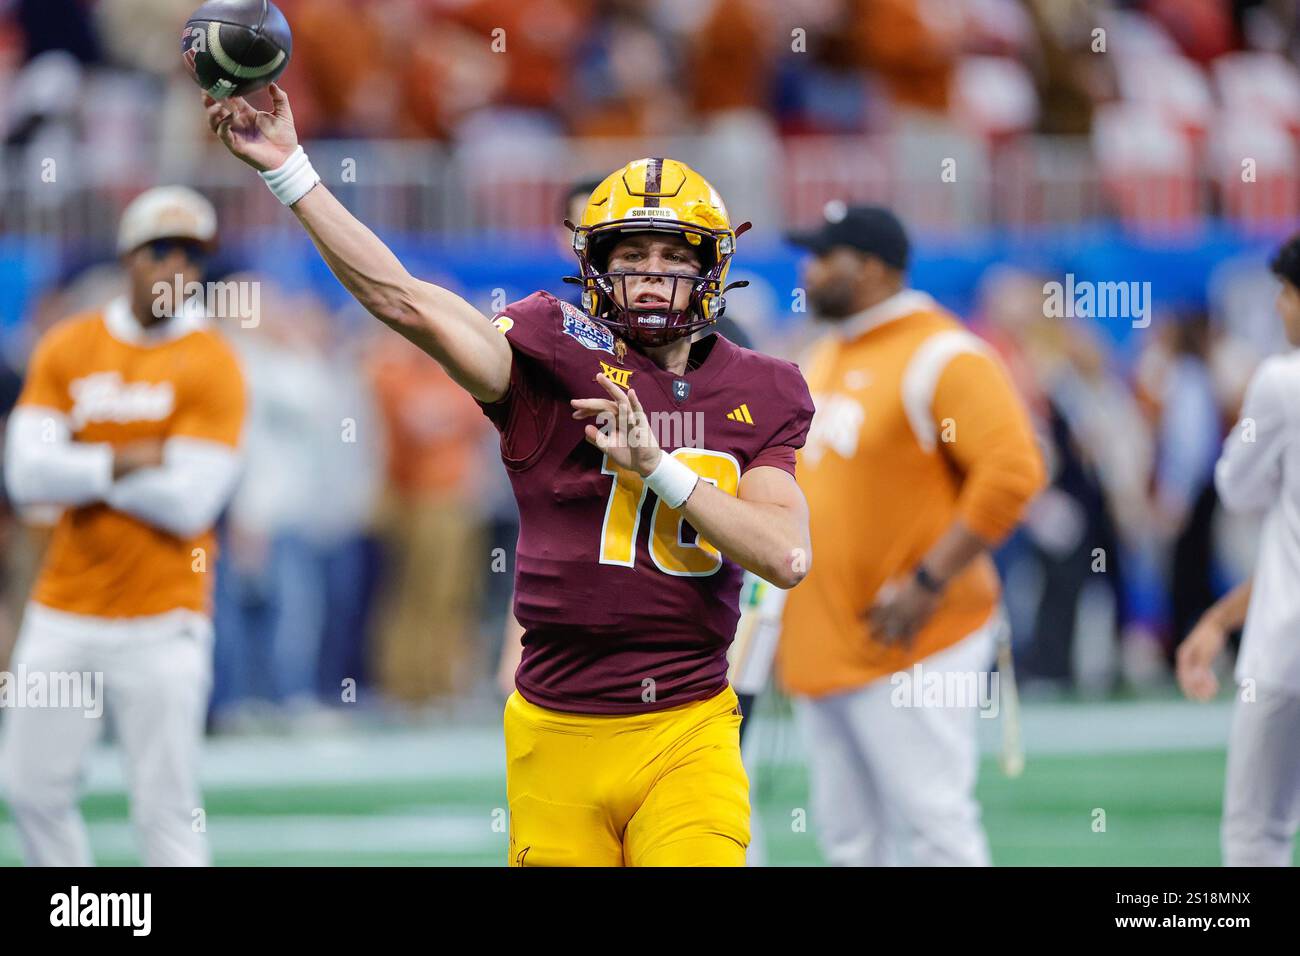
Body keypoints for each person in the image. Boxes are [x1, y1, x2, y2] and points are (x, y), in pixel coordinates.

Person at [202, 86, 814, 867]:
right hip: (554, 726)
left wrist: (658, 468)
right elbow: (405, 302)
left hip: (687, 725)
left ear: (712, 267)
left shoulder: (763, 387)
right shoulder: (549, 348)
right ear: (594, 268)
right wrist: (291, 170)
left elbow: (786, 555)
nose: (653, 276)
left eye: (673, 257)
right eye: (630, 256)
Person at [777, 203, 1046, 866]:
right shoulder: (826, 352)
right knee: (850, 841)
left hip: (914, 637)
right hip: (833, 638)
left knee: (933, 831)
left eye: (822, 257)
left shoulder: (943, 353)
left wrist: (929, 580)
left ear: (868, 268)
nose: (806, 272)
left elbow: (1012, 474)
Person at [0, 186, 247, 866]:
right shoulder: (69, 345)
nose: (177, 268)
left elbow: (190, 501)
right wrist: (125, 460)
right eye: (160, 250)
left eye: (193, 255)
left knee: (166, 807)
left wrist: (78, 465)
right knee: (29, 789)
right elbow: (24, 478)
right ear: (127, 257)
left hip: (165, 614)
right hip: (64, 607)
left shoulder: (215, 361)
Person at [1178, 233, 1300, 866]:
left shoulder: (1281, 379)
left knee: (1256, 833)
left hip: (1286, 651)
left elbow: (1236, 486)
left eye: (1286, 293)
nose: (1280, 308)